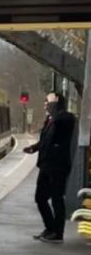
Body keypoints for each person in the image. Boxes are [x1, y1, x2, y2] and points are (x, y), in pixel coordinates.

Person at [23, 92, 76, 243]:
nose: (46, 103)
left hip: (58, 166)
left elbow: (61, 120)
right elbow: (45, 140)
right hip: (46, 165)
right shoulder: (51, 119)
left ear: (57, 101)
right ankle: (50, 228)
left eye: (49, 100)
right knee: (40, 198)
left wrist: (54, 107)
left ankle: (58, 233)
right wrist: (33, 148)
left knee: (57, 199)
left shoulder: (65, 118)